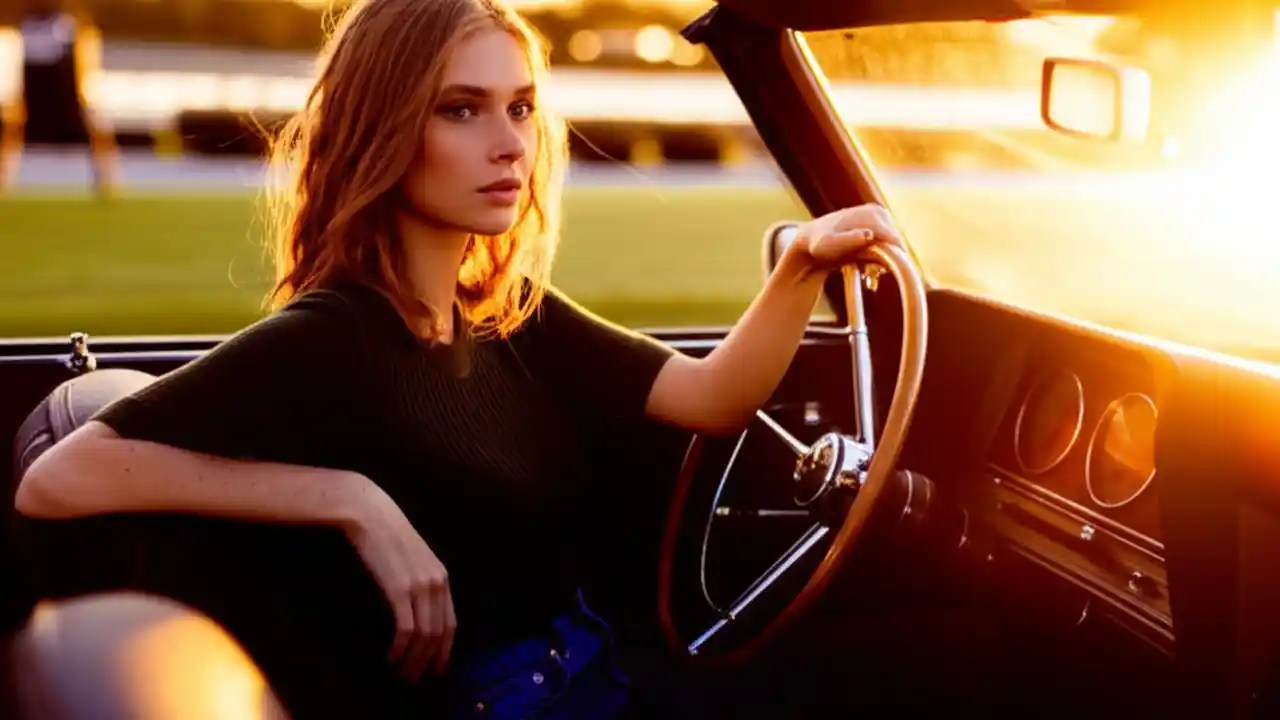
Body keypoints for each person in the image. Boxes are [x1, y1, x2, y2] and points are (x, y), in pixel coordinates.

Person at [11, 0, 901, 716]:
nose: (510, 141)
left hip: (593, 663)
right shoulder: (333, 335)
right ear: (388, 126)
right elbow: (57, 481)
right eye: (461, 109)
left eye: (519, 107)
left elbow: (712, 398)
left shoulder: (509, 316)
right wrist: (346, 499)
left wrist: (797, 268)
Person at [0, 0, 119, 196]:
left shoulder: (70, 24)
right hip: (36, 88)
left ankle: (106, 177)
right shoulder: (28, 26)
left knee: (95, 129)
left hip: (67, 88)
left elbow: (82, 58)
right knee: (12, 128)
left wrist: (83, 91)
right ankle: (3, 179)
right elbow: (24, 65)